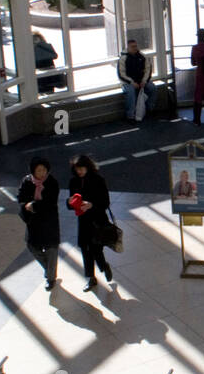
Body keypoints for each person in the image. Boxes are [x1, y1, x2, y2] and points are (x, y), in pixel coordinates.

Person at [67, 154, 112, 292]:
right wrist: (70, 203)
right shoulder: (74, 182)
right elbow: (70, 203)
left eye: (82, 168)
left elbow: (105, 202)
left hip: (97, 220)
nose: (79, 171)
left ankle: (104, 266)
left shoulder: (98, 180)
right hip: (83, 220)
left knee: (96, 248)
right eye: (77, 169)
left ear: (88, 167)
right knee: (85, 248)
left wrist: (91, 205)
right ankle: (91, 278)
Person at [18, 156, 61, 291]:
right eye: (39, 170)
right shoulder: (27, 181)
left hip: (49, 221)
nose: (42, 173)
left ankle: (51, 278)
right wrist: (27, 206)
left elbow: (50, 202)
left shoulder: (51, 182)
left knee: (51, 249)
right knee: (32, 246)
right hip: (34, 222)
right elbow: (21, 198)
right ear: (33, 171)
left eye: (44, 170)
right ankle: (50, 270)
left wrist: (35, 205)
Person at [118, 39, 156, 122]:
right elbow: (121, 75)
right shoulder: (123, 59)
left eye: (136, 46)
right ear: (128, 47)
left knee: (152, 88)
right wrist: (132, 82)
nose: (135, 48)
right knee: (130, 92)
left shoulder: (142, 56)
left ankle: (149, 109)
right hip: (127, 82)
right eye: (133, 47)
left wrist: (144, 81)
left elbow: (148, 70)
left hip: (141, 81)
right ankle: (130, 115)